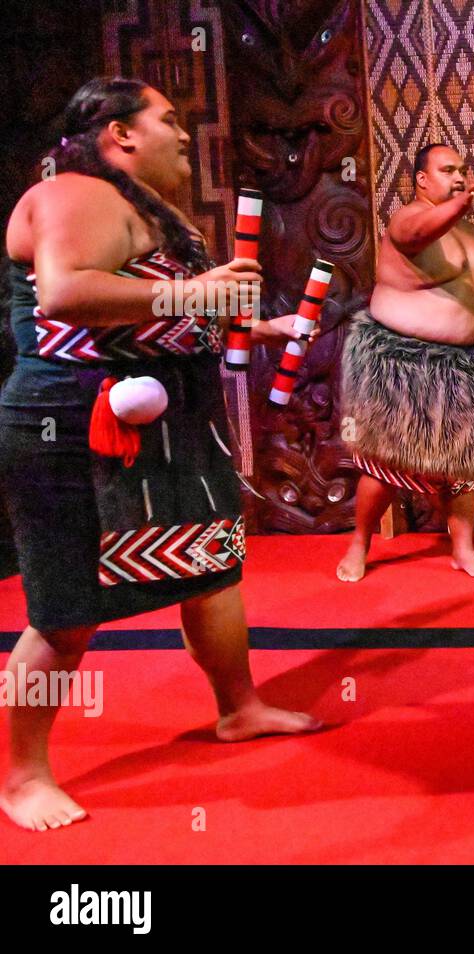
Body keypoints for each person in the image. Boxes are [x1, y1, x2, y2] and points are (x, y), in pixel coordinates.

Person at [0, 77, 320, 832]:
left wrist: (253, 327)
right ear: (119, 134)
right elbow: (68, 294)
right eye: (169, 120)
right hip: (71, 422)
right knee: (65, 611)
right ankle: (21, 776)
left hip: (168, 418)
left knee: (210, 568)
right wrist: (195, 297)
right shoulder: (75, 192)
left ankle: (238, 707)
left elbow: (148, 311)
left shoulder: (144, 207)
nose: (184, 135)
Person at [335, 144, 474, 582]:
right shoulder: (408, 219)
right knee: (385, 462)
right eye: (447, 170)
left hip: (464, 368)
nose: (457, 176)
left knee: (462, 467)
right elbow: (419, 234)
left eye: (461, 170)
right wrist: (462, 201)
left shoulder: (473, 233)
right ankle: (359, 543)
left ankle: (463, 549)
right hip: (402, 361)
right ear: (422, 180)